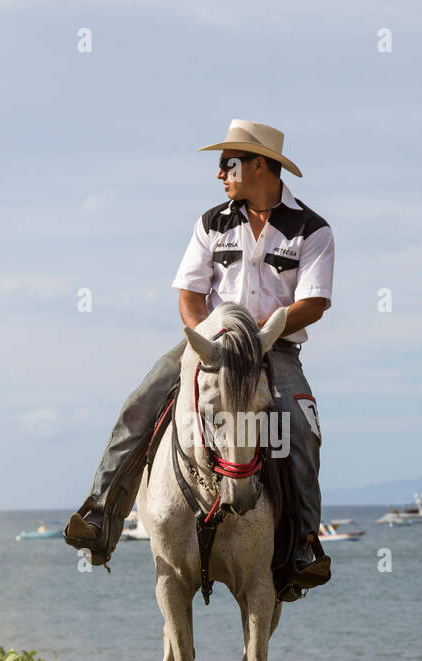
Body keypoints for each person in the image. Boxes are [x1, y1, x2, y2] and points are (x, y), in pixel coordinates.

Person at [63, 119, 334, 595]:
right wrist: (207, 334)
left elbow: (314, 303)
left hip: (277, 346)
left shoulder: (312, 230)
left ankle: (303, 544)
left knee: (300, 428)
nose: (219, 174)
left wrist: (260, 336)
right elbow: (190, 294)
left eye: (227, 164)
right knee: (141, 401)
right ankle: (100, 513)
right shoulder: (211, 222)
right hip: (211, 344)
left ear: (258, 165)